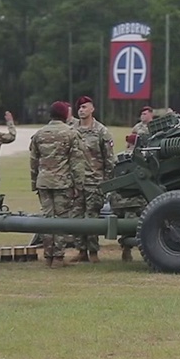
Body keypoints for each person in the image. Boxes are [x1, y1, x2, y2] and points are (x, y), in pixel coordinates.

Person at [30, 101, 86, 268]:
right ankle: (58, 258)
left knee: (47, 219)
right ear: (64, 115)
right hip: (62, 183)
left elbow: (33, 162)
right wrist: (79, 186)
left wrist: (34, 183)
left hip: (44, 182)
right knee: (61, 220)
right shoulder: (71, 133)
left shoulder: (39, 134)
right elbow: (77, 163)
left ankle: (48, 256)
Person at [70, 96, 116, 263]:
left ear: (92, 109)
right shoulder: (71, 130)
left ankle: (93, 252)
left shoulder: (101, 131)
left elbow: (109, 159)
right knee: (76, 216)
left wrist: (108, 182)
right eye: (79, 107)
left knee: (92, 217)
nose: (81, 110)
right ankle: (81, 250)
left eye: (84, 107)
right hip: (75, 182)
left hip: (95, 181)